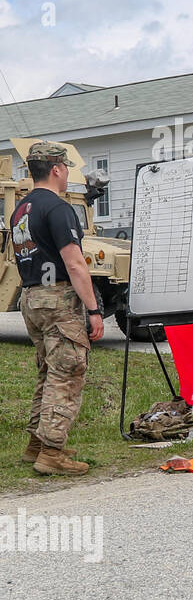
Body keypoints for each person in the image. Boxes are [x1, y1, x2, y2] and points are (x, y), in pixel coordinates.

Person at [10, 141, 105, 475]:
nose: (67, 174)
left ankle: (36, 444)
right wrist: (93, 309)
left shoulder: (21, 209)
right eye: (66, 168)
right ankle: (52, 453)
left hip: (32, 298)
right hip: (59, 300)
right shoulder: (59, 208)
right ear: (56, 169)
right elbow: (75, 263)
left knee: (49, 372)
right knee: (67, 374)